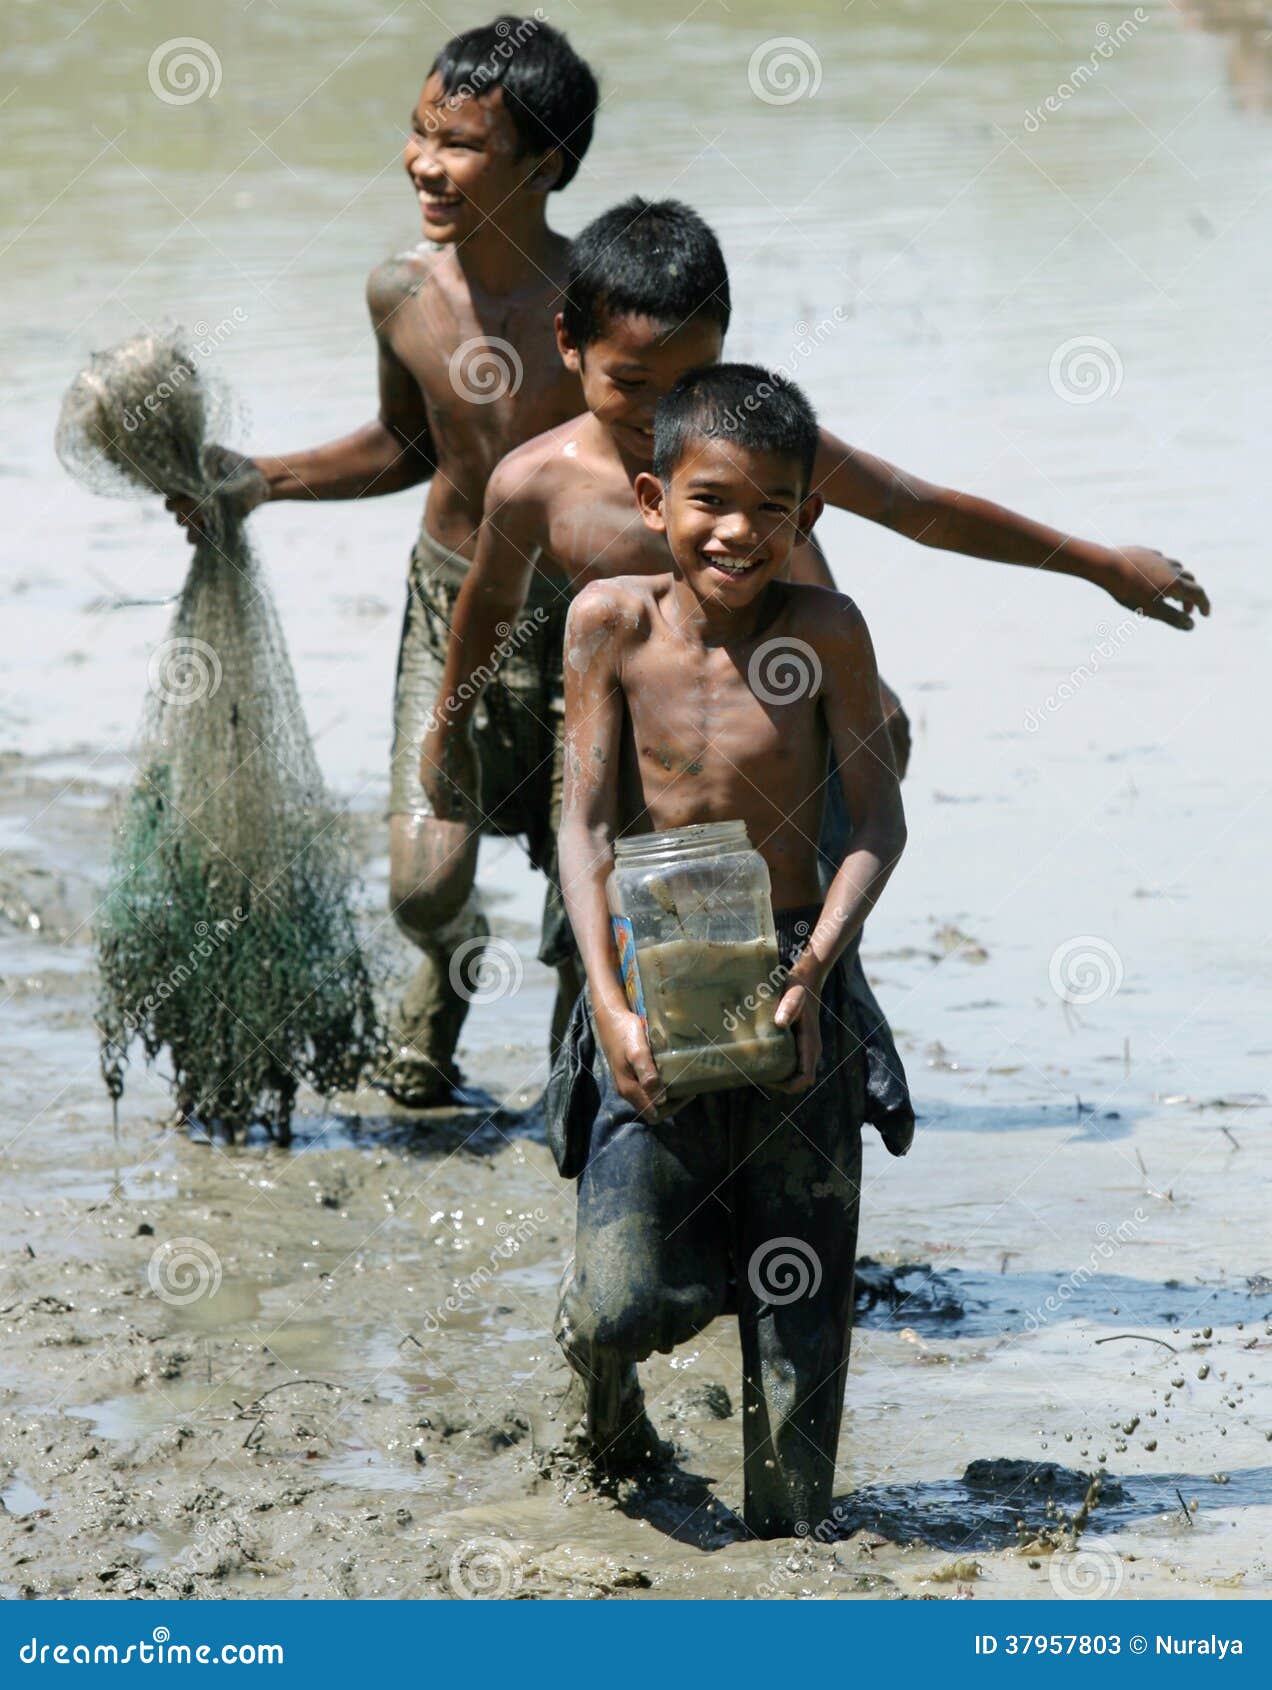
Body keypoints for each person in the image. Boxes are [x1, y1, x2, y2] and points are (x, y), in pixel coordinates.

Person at [418, 195, 1208, 959]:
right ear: (569, 343)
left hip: (771, 724)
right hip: (633, 745)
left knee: (792, 934)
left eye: (687, 380)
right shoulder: (536, 485)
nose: (661, 412)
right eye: (632, 382)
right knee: (607, 947)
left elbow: (917, 508)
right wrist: (449, 726)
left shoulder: (758, 440)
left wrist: (1102, 565)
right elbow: (489, 603)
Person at [165, 16, 599, 1105]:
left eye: (458, 145)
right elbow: (410, 446)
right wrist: (261, 479)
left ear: (545, 163)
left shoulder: (602, 309)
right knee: (420, 883)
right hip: (455, 599)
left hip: (601, 609)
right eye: (417, 134)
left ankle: (577, 1106)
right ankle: (448, 972)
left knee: (587, 879)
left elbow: (700, 469)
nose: (424, 163)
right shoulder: (400, 294)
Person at [550, 364, 908, 1538]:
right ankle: (612, 1410)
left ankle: (782, 1546)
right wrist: (608, 1005)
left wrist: (818, 971)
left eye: (773, 507)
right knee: (618, 1303)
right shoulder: (611, 622)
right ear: (655, 499)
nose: (740, 532)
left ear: (806, 516)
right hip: (654, 973)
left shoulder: (828, 632)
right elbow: (586, 821)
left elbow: (878, 817)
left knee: (795, 1446)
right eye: (712, 500)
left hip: (793, 978)